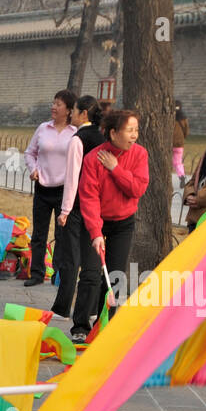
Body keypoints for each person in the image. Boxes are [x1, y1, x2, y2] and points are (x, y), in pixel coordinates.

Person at [70, 108, 149, 343]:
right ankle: (80, 326)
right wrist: (95, 233)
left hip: (124, 223)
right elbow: (89, 197)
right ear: (113, 133)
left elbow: (137, 189)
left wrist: (116, 168)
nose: (134, 135)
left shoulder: (140, 155)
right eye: (129, 130)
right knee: (92, 273)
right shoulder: (93, 158)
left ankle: (106, 325)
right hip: (97, 223)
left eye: (136, 130)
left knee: (114, 275)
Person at [53, 95, 104, 318]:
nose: (71, 114)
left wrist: (65, 210)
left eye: (74, 110)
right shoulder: (103, 138)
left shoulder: (78, 140)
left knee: (70, 258)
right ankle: (91, 308)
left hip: (77, 207)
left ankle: (62, 306)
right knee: (92, 260)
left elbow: (73, 178)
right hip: (97, 206)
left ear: (84, 114)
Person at [22, 89, 78, 288]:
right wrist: (34, 169)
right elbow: (30, 153)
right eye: (53, 103)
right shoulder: (43, 128)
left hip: (64, 189)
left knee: (62, 235)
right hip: (42, 188)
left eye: (59, 104)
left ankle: (58, 275)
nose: (54, 107)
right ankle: (36, 273)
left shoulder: (75, 133)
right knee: (39, 234)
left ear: (70, 110)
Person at [172, 101, 188, 180]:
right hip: (179, 144)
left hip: (170, 143)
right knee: (178, 162)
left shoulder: (170, 117)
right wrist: (182, 137)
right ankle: (181, 175)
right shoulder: (184, 118)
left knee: (169, 161)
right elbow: (186, 131)